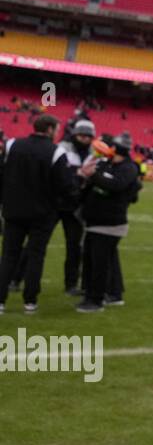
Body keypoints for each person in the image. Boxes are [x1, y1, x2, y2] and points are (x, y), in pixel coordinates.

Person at [0, 113, 79, 314]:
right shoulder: (56, 152)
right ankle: (30, 300)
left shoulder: (12, 145)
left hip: (13, 210)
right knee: (36, 256)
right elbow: (65, 185)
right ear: (50, 129)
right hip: (42, 213)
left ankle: (0, 300)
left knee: (8, 256)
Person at [76, 134, 141, 313]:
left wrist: (94, 175)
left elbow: (116, 185)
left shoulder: (128, 168)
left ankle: (96, 300)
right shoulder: (107, 163)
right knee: (93, 260)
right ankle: (108, 294)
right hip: (94, 220)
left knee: (99, 263)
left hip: (110, 223)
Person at [56, 118, 95, 295]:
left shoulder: (93, 154)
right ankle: (17, 278)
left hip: (75, 207)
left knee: (74, 247)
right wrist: (78, 174)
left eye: (88, 136)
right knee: (37, 243)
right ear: (75, 134)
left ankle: (71, 284)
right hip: (55, 203)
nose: (85, 138)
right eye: (82, 134)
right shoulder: (62, 148)